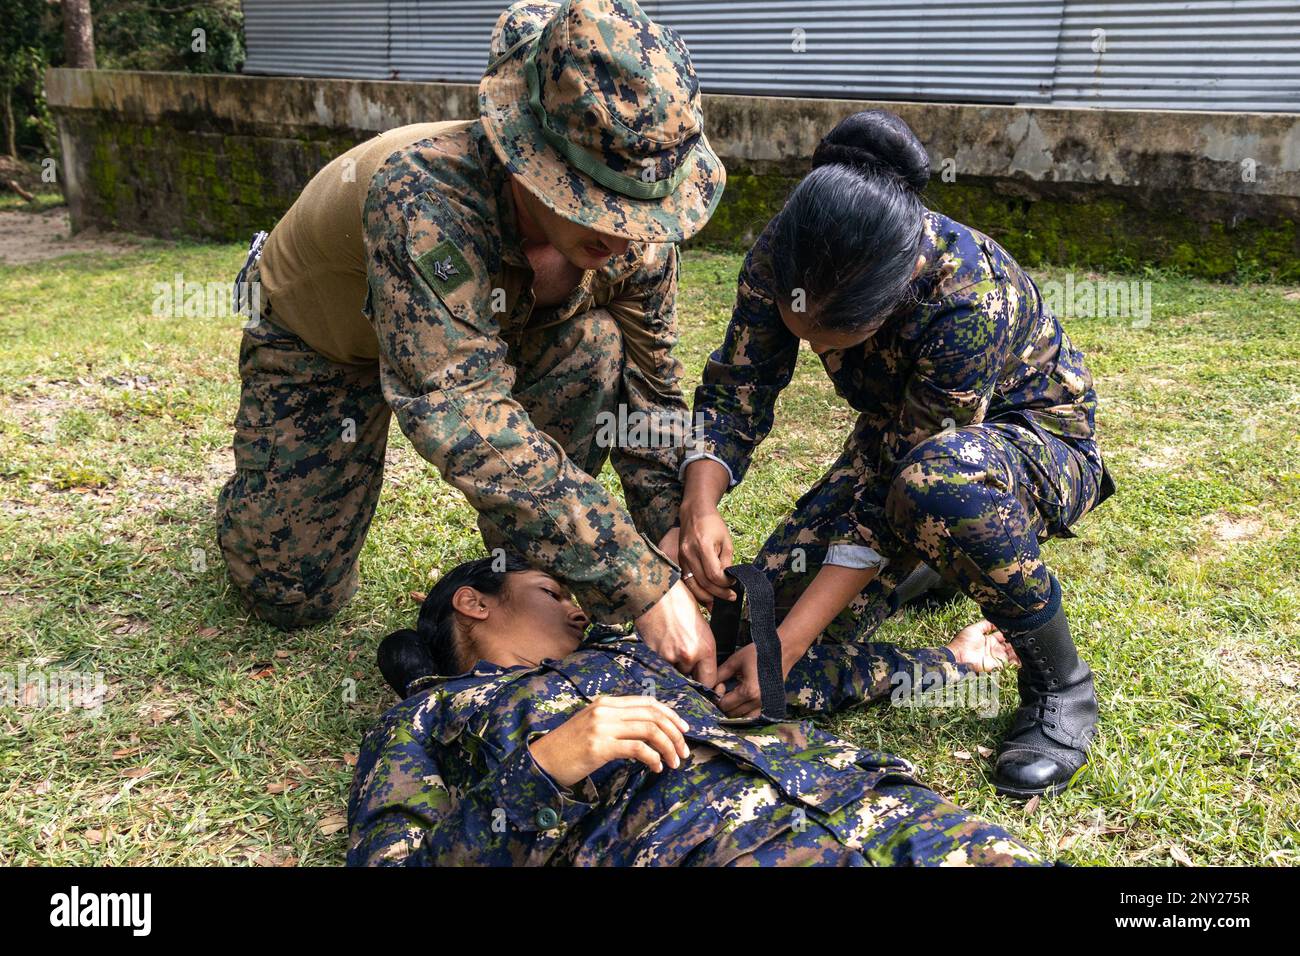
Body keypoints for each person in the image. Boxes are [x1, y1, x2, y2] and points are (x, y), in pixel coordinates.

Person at [215, 0, 724, 687]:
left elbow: (653, 394)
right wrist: (636, 581)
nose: (626, 234)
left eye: (643, 211)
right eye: (601, 202)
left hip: (498, 336)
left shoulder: (638, 244)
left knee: (597, 344)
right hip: (327, 343)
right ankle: (257, 491)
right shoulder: (425, 196)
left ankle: (531, 564)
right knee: (291, 592)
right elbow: (459, 409)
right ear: (530, 158)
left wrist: (671, 544)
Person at [677, 110, 1114, 797]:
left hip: (1032, 445)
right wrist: (699, 506)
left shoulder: (967, 295)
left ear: (899, 284)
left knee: (932, 492)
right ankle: (931, 563)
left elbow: (892, 492)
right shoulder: (790, 252)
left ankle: (1062, 684)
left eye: (836, 343)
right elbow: (739, 385)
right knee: (750, 620)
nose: (821, 355)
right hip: (900, 442)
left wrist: (783, 652)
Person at [347, 555, 1041, 866]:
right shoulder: (428, 715)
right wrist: (546, 769)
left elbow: (798, 677)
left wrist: (946, 662)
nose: (578, 605)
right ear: (475, 601)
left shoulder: (634, 647)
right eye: (550, 589)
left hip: (882, 812)